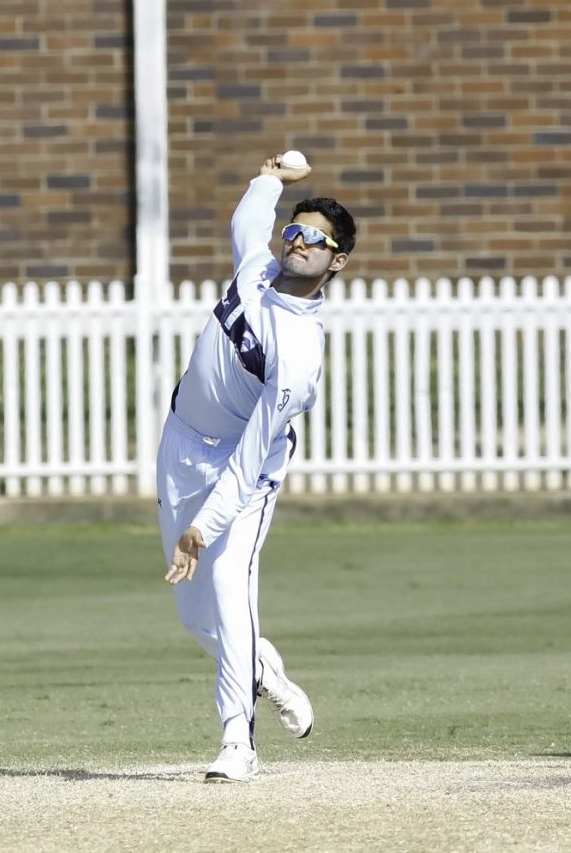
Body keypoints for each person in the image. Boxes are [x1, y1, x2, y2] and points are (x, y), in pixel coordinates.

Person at [156, 153, 357, 782]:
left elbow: (251, 457)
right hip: (181, 444)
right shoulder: (254, 269)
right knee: (195, 618)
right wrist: (271, 177)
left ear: (337, 262)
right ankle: (263, 669)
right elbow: (248, 221)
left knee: (227, 589)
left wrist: (205, 528)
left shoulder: (299, 352)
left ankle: (237, 743)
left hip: (245, 470)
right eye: (294, 232)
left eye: (316, 241)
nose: (298, 244)